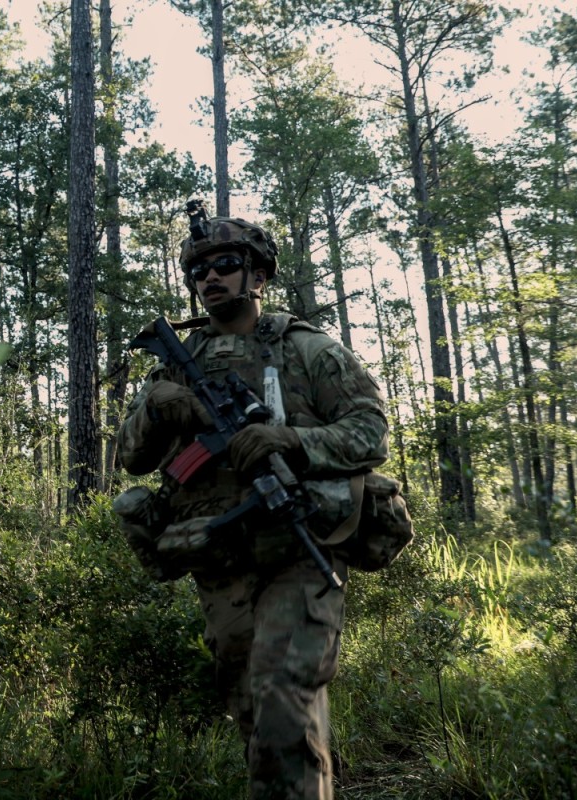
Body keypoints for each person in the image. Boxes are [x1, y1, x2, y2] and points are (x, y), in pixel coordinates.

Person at [113, 207, 389, 800]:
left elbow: (371, 433)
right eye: (200, 272)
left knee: (283, 701)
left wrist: (291, 439)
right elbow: (131, 460)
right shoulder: (178, 366)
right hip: (222, 560)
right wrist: (154, 406)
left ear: (258, 277)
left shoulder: (308, 350)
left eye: (226, 265)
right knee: (255, 716)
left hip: (298, 551)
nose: (210, 279)